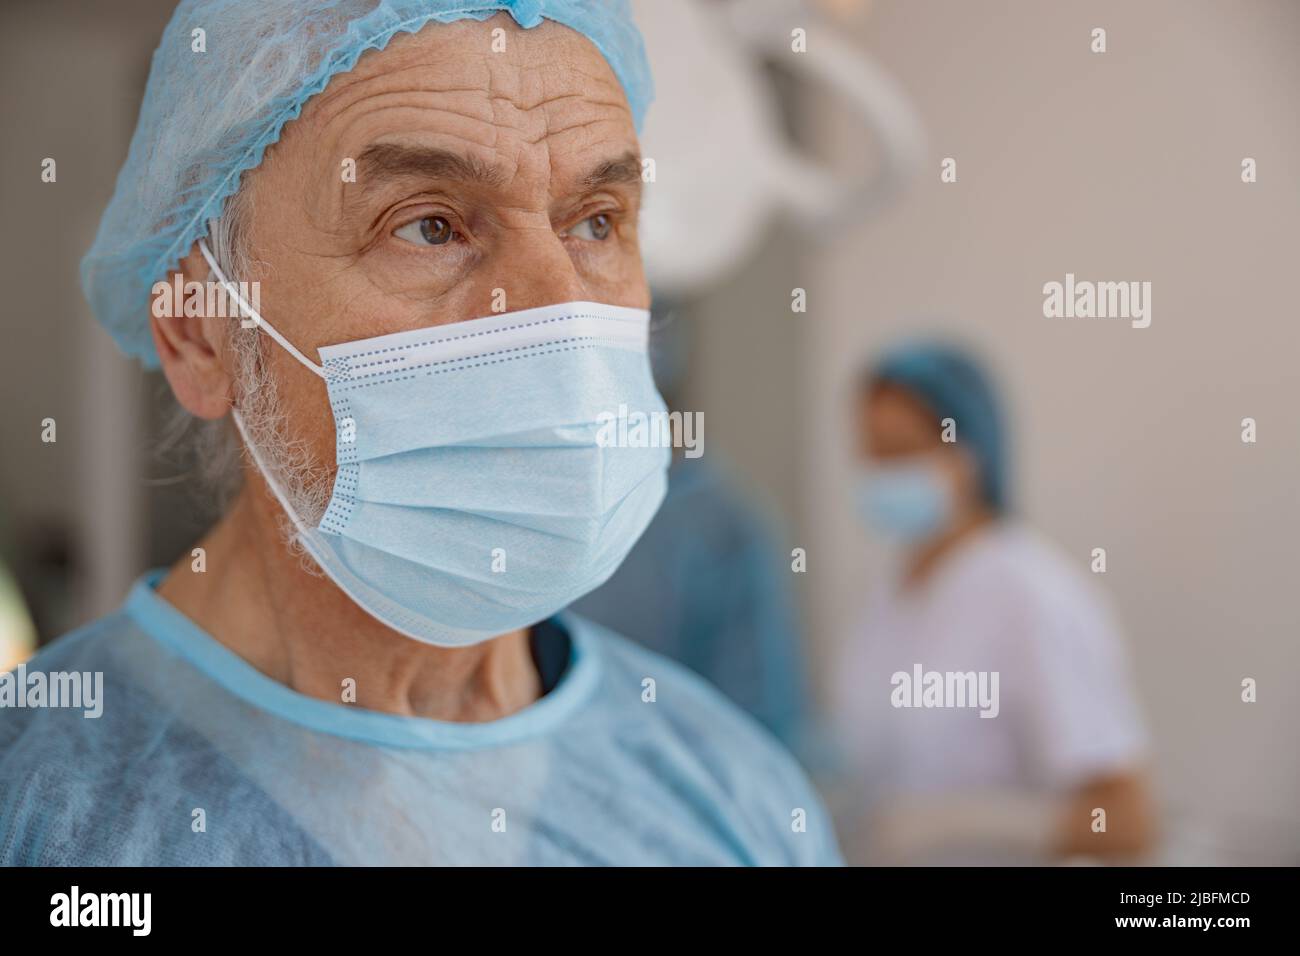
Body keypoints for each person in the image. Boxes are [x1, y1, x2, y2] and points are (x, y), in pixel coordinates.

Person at [0, 0, 840, 866]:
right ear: (200, 329)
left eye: (596, 221)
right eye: (429, 225)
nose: (559, 313)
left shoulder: (738, 804)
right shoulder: (43, 813)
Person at [835, 341, 1153, 865]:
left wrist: (966, 821)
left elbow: (1127, 818)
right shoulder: (889, 594)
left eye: (902, 449)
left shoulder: (1032, 592)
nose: (881, 470)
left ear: (967, 454)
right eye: (871, 450)